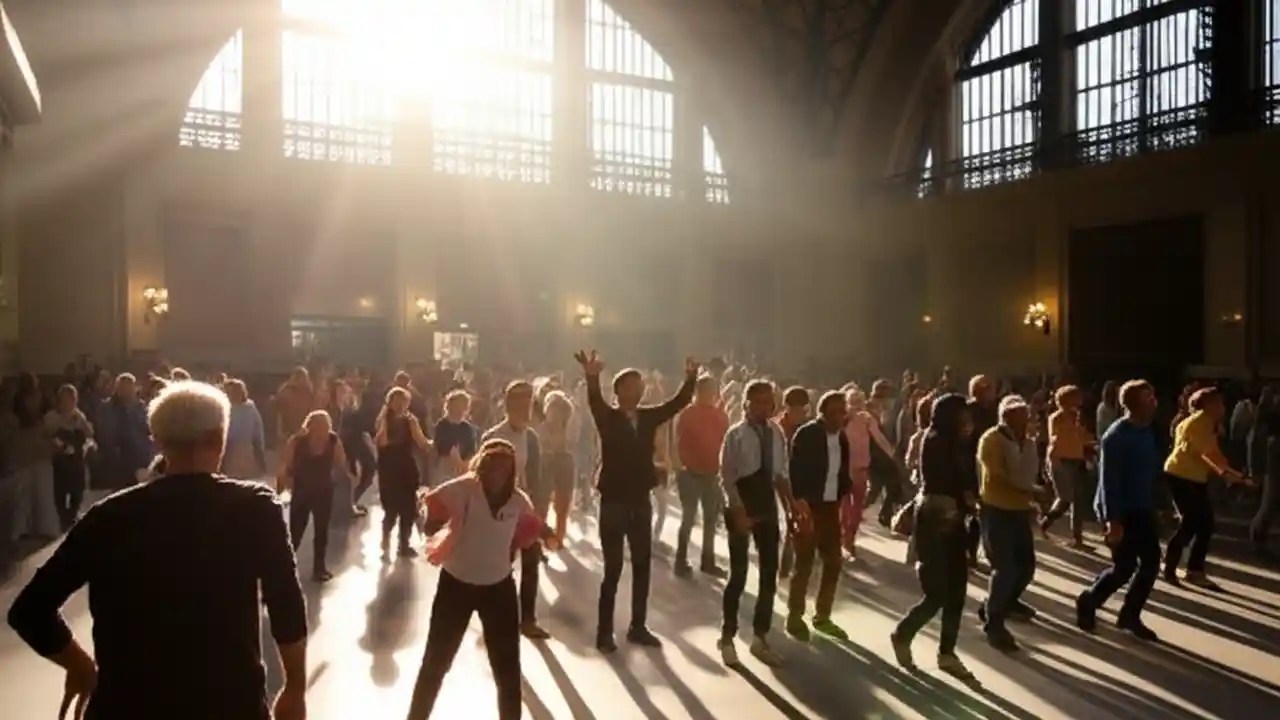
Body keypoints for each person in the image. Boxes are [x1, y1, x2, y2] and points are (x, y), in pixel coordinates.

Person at [7, 381, 308, 720]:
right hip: (228, 705)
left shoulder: (108, 517)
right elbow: (286, 605)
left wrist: (79, 665)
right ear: (219, 439)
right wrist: (295, 688)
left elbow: (29, 610)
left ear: (158, 442)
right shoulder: (255, 510)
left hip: (125, 707)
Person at [407, 439, 558, 720]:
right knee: (436, 664)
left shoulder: (517, 500)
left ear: (512, 471)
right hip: (457, 585)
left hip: (498, 589)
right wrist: (434, 522)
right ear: (482, 465)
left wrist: (549, 535)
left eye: (505, 468)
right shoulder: (463, 488)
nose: (498, 474)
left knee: (508, 671)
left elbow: (533, 524)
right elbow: (431, 512)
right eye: (493, 466)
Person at [575, 349, 697, 653]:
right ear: (618, 391)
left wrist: (690, 378)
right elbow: (594, 401)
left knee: (643, 566)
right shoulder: (608, 418)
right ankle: (605, 633)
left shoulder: (648, 416)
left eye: (640, 386)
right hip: (614, 501)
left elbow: (677, 404)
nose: (638, 390)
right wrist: (592, 376)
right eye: (632, 386)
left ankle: (638, 627)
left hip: (640, 500)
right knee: (613, 568)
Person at [890, 394, 976, 679]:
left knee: (956, 592)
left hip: (947, 517)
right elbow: (952, 482)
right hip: (938, 519)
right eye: (962, 414)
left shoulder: (944, 439)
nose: (967, 419)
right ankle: (903, 633)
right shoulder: (941, 441)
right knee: (939, 592)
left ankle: (947, 653)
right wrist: (968, 500)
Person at [1077, 380, 1162, 641]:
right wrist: (1113, 520)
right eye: (1148, 400)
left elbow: (1151, 472)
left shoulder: (1147, 432)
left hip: (1142, 506)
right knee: (1124, 567)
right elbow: (1109, 481)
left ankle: (1129, 614)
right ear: (1134, 405)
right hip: (1121, 510)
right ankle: (1089, 600)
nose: (1154, 403)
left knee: (1150, 563)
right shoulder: (1116, 436)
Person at [718, 380, 793, 667]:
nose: (764, 407)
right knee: (738, 575)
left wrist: (790, 506)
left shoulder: (776, 433)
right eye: (758, 401)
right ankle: (727, 636)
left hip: (766, 503)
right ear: (746, 404)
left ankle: (760, 637)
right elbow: (726, 476)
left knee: (769, 574)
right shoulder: (735, 435)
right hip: (741, 502)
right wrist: (737, 510)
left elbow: (780, 473)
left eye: (768, 401)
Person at [1162, 387, 1252, 588]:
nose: (1223, 407)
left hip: (1190, 476)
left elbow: (1214, 453)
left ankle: (1191, 569)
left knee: (1202, 523)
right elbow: (1208, 455)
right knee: (1194, 522)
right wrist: (1227, 475)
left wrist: (1237, 475)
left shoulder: (1201, 422)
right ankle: (1175, 567)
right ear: (1209, 404)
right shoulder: (1200, 422)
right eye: (1219, 403)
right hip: (1182, 476)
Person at [482, 381, 550, 640]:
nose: (526, 409)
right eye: (521, 403)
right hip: (502, 510)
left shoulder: (531, 437)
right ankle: (497, 617)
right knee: (502, 566)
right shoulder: (493, 436)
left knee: (531, 562)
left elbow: (536, 475)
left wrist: (539, 509)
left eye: (529, 403)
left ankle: (528, 620)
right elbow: (484, 478)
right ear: (509, 405)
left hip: (526, 509)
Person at [975, 395, 1039, 652]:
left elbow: (1030, 470)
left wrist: (1031, 495)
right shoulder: (991, 439)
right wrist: (1031, 491)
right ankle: (995, 624)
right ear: (1007, 417)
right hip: (996, 509)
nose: (1027, 421)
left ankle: (1000, 603)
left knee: (1026, 567)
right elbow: (997, 477)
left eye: (1027, 416)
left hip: (1019, 510)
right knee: (1005, 568)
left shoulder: (1028, 441)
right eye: (1020, 417)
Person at [786, 391, 851, 642]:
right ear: (822, 413)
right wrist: (798, 501)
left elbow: (841, 469)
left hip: (831, 506)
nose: (839, 416)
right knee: (804, 562)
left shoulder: (842, 438)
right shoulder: (808, 434)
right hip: (809, 506)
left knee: (833, 561)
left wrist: (845, 489)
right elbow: (794, 469)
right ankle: (795, 615)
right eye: (833, 412)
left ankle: (822, 615)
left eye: (841, 411)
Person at [279, 410, 356, 583]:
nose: (323, 431)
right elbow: (286, 465)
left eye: (325, 426)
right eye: (319, 426)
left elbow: (340, 462)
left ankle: (319, 569)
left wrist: (348, 478)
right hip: (302, 491)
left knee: (321, 531)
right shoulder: (297, 441)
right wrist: (281, 487)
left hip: (323, 491)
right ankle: (284, 567)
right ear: (310, 426)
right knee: (295, 531)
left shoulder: (333, 441)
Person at [674, 374, 730, 579]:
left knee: (710, 520)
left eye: (712, 391)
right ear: (698, 392)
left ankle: (708, 561)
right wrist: (679, 467)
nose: (709, 395)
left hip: (712, 473)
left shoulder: (720, 416)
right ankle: (680, 560)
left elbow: (725, 445)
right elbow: (677, 442)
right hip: (690, 472)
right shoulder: (688, 414)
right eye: (705, 391)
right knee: (688, 518)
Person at [377, 386, 431, 559]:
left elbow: (421, 442)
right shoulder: (383, 419)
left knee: (408, 509)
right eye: (396, 401)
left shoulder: (410, 420)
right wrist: (385, 423)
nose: (400, 405)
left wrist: (433, 445)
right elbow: (381, 442)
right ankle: (386, 539)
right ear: (390, 402)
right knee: (391, 510)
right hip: (388, 468)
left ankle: (404, 544)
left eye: (404, 401)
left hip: (406, 467)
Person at [1040, 385, 1095, 548]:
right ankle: (1045, 522)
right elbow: (1057, 438)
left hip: (1076, 459)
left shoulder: (1078, 417)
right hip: (1061, 459)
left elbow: (1082, 437)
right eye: (1075, 398)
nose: (1079, 401)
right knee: (1065, 497)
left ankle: (1077, 537)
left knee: (1078, 500)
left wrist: (1090, 445)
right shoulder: (1057, 417)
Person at [44, 385, 94, 531]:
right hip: (59, 462)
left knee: (77, 490)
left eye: (72, 399)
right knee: (60, 492)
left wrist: (82, 425)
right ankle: (62, 518)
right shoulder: (51, 417)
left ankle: (71, 516)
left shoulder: (78, 415)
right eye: (65, 399)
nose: (69, 403)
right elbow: (46, 436)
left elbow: (89, 433)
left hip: (76, 461)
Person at [775, 386, 811, 578]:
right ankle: (782, 568)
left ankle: (788, 567)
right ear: (786, 407)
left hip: (798, 481)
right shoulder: (776, 428)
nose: (800, 414)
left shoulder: (807, 429)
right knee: (787, 522)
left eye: (803, 410)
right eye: (796, 410)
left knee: (795, 521)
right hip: (777, 481)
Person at [93, 373, 152, 490]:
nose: (126, 391)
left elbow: (147, 431)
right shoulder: (106, 408)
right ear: (117, 389)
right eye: (122, 388)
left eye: (129, 388)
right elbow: (102, 431)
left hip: (138, 459)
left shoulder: (142, 408)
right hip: (116, 460)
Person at [539, 390, 577, 545]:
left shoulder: (570, 428)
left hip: (563, 462)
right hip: (546, 462)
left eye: (558, 411)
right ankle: (541, 539)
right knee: (542, 503)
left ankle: (558, 538)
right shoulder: (541, 428)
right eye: (551, 409)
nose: (553, 414)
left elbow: (572, 446)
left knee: (562, 505)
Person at [221, 379, 267, 480]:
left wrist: (259, 450)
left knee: (242, 478)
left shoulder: (249, 408)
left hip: (244, 448)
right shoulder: (226, 407)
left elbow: (257, 430)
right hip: (230, 448)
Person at [431, 389, 479, 487]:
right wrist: (454, 455)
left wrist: (466, 463)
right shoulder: (442, 425)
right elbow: (441, 445)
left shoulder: (467, 427)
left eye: (464, 406)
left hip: (463, 467)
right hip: (445, 467)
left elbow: (471, 449)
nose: (462, 409)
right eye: (459, 405)